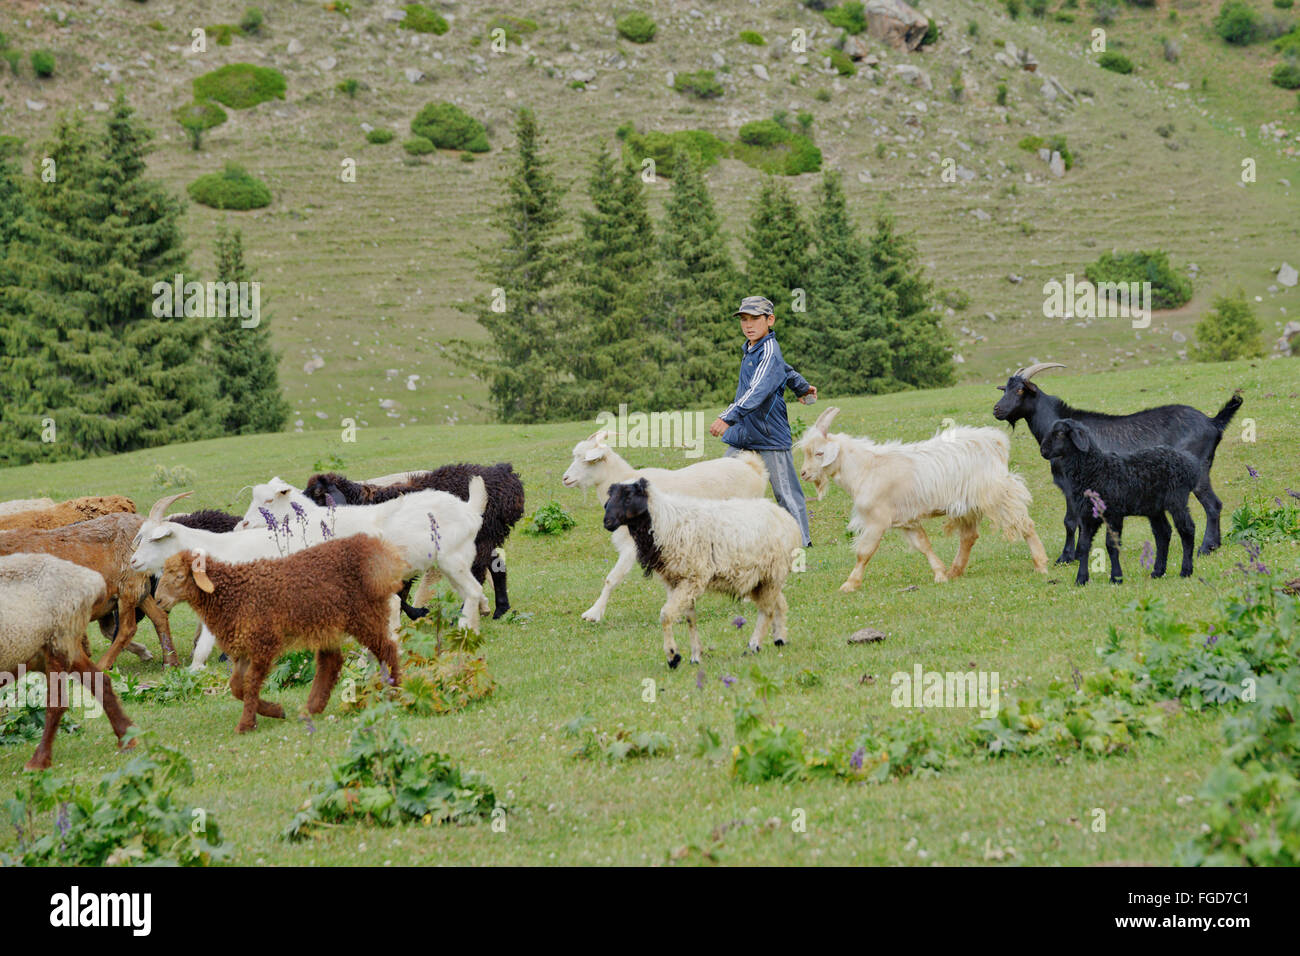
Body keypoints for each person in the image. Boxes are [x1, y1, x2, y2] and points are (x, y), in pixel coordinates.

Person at [708, 295, 817, 547]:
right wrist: (801, 388)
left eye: (755, 319)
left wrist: (727, 417)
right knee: (722, 482)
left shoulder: (769, 349)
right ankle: (724, 540)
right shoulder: (752, 348)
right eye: (744, 319)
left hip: (769, 435)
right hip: (744, 433)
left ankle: (801, 542)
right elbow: (785, 370)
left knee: (785, 492)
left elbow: (756, 390)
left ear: (770, 320)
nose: (748, 325)